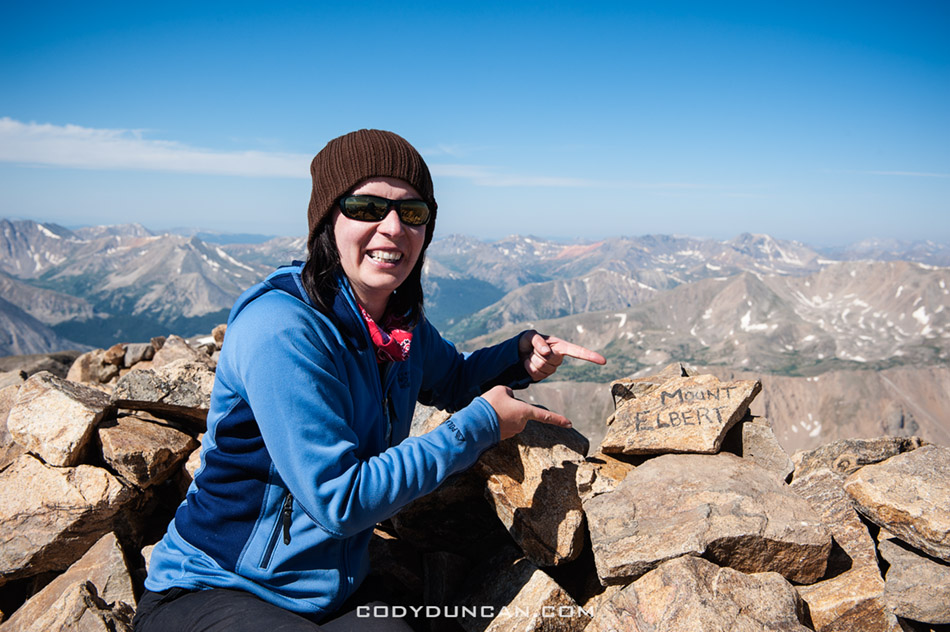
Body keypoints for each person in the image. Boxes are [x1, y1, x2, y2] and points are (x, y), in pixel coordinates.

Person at [133, 129, 605, 631]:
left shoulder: (398, 326)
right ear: (326, 219)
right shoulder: (281, 329)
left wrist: (517, 357)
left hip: (333, 593)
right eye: (366, 207)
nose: (393, 228)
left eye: (413, 212)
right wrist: (481, 425)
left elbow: (454, 378)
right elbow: (339, 499)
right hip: (215, 587)